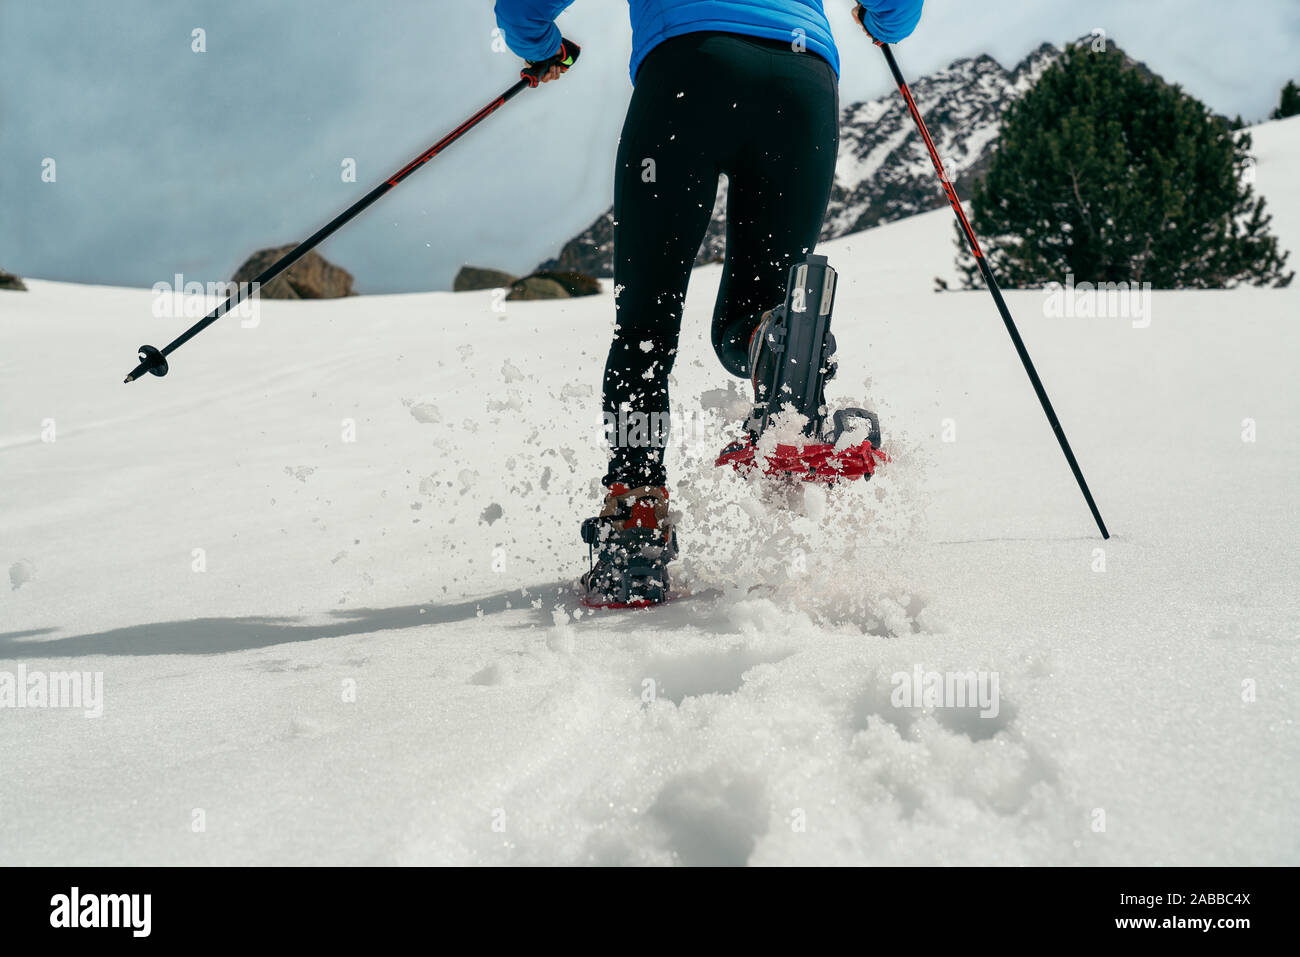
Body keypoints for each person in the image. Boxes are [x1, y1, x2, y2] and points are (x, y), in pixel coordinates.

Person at [494, 1, 925, 605]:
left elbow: (521, 7)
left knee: (646, 328)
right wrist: (881, 22)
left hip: (687, 77)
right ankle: (776, 355)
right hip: (801, 87)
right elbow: (898, 10)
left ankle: (634, 533)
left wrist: (543, 48)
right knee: (753, 318)